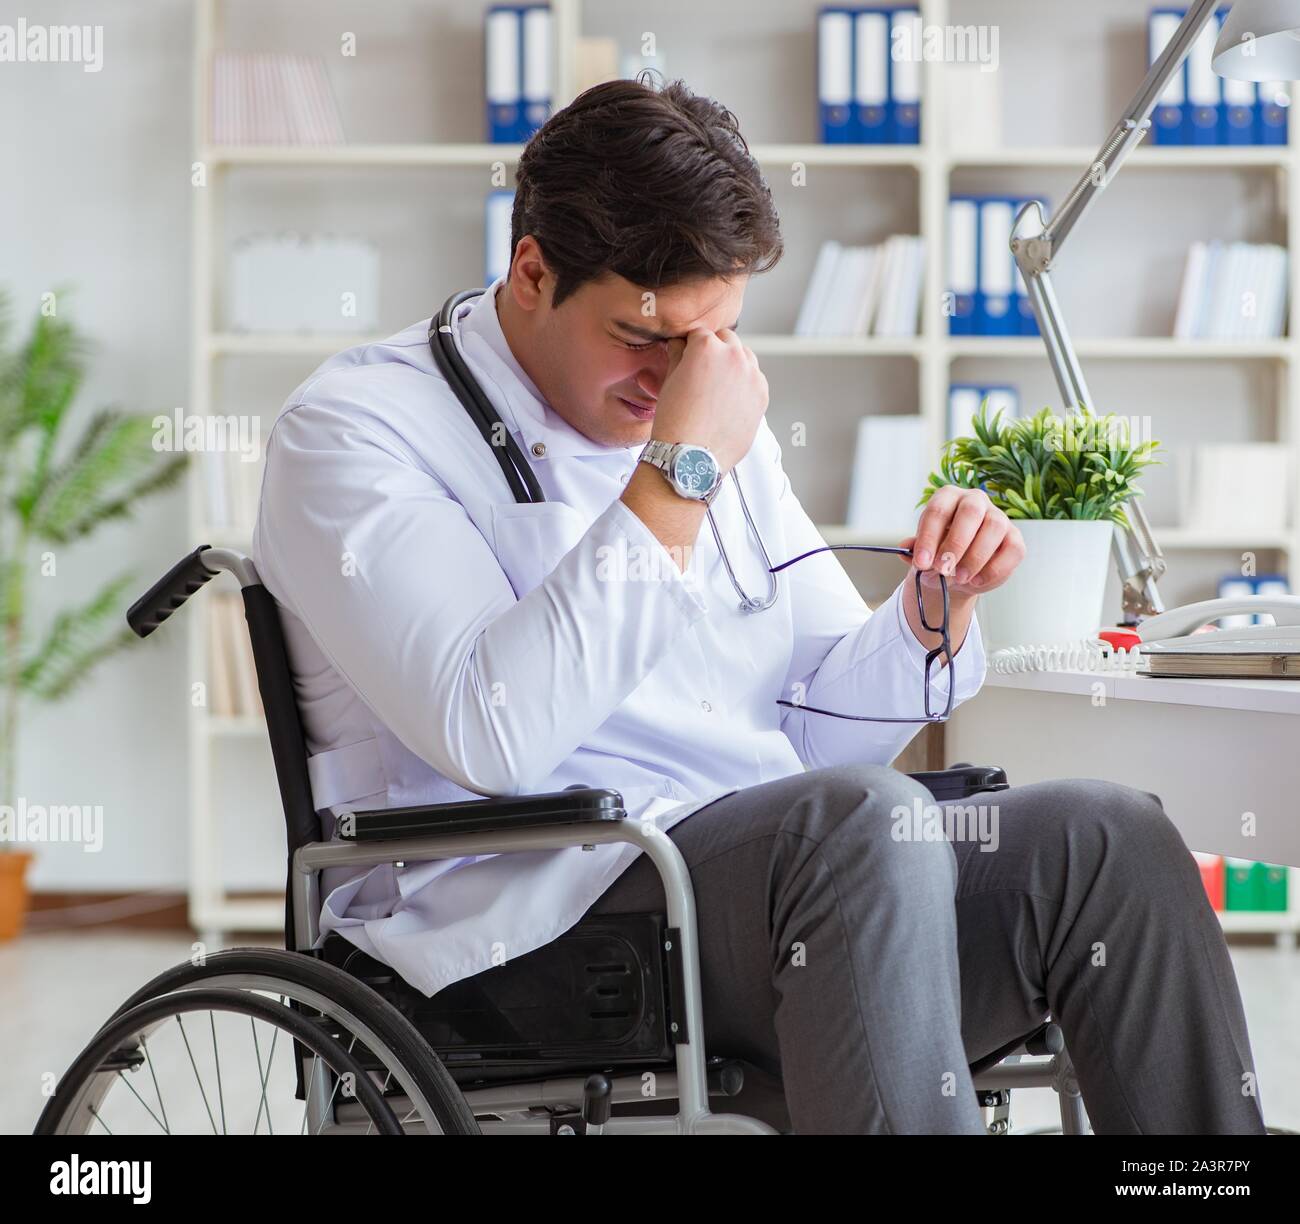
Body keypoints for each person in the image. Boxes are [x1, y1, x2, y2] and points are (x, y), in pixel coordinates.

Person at [253, 74, 1267, 1134]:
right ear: (531, 269)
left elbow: (824, 729)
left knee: (1109, 839)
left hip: (791, 890)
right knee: (859, 830)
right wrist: (678, 470)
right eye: (644, 338)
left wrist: (932, 609)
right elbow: (492, 732)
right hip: (524, 930)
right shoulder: (357, 431)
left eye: (712, 338)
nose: (676, 378)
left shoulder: (710, 413)